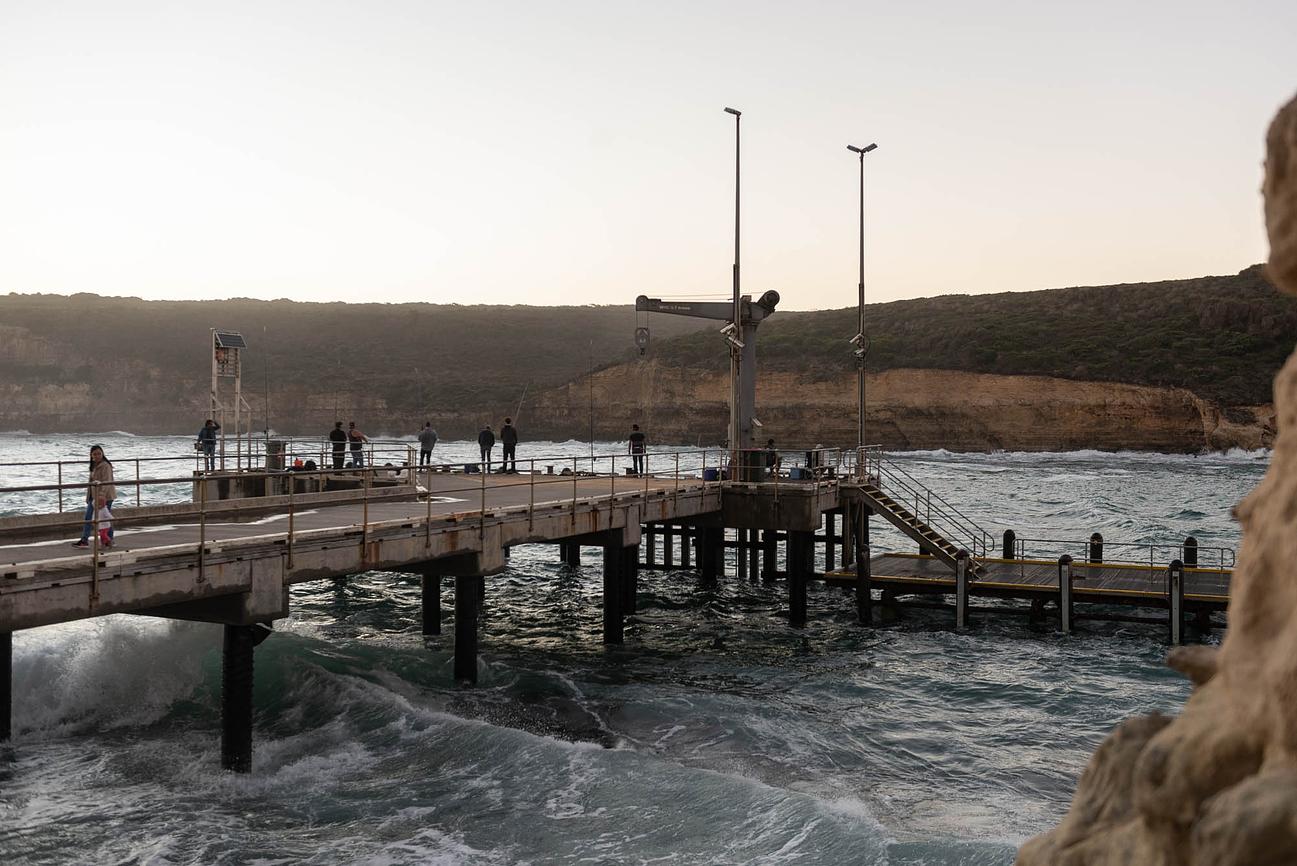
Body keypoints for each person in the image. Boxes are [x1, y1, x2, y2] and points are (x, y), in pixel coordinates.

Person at [73, 444, 116, 548]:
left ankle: (108, 540)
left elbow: (107, 481)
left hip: (105, 496)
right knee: (89, 517)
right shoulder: (94, 466)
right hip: (94, 496)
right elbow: (91, 483)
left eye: (99, 454)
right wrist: (89, 498)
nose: (97, 456)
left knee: (104, 518)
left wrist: (101, 496)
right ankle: (85, 540)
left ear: (102, 454)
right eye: (95, 454)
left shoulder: (105, 465)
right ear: (91, 456)